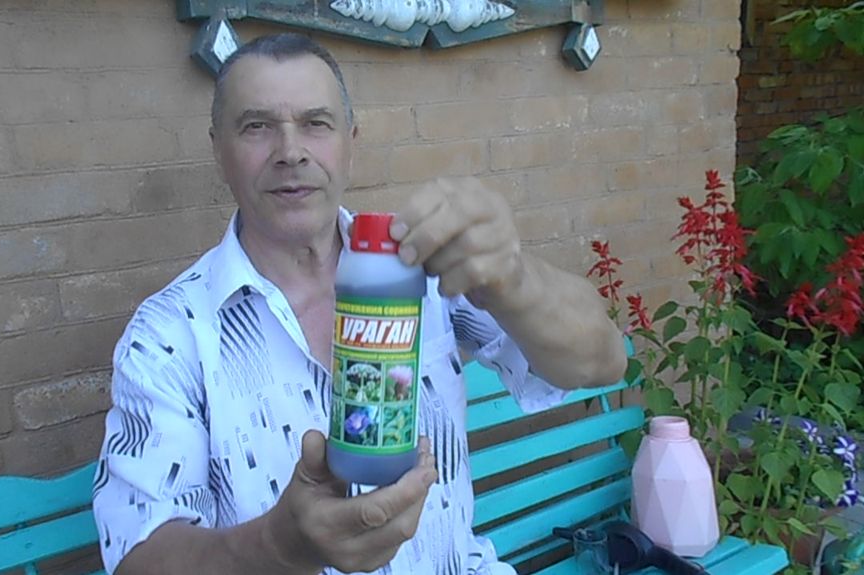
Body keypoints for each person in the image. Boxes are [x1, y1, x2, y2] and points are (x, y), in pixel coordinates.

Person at [92, 32, 627, 575]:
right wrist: (278, 546)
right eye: (256, 126)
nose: (290, 151)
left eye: (316, 123)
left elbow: (601, 362)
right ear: (218, 149)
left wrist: (514, 278)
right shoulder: (170, 334)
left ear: (351, 142)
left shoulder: (419, 267)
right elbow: (139, 557)